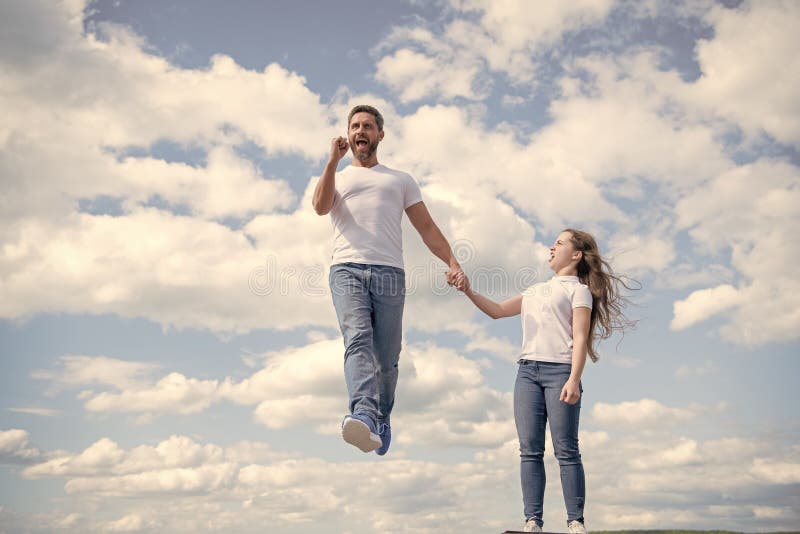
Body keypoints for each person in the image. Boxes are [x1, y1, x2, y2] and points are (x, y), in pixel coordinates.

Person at [453, 229, 633, 534]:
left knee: (566, 449)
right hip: (527, 373)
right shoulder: (535, 291)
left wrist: (574, 379)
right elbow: (497, 312)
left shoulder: (579, 291)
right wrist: (468, 290)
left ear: (576, 255)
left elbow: (579, 337)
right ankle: (532, 521)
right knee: (530, 450)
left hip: (560, 372)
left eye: (560, 243)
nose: (552, 247)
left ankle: (576, 521)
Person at [312, 104, 463, 455]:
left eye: (367, 126)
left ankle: (381, 416)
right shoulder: (337, 175)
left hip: (389, 272)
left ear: (380, 134)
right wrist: (332, 162)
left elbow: (426, 227)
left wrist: (453, 260)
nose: (360, 131)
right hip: (346, 269)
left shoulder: (400, 180)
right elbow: (320, 207)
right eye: (354, 127)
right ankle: (363, 412)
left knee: (388, 356)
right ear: (348, 135)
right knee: (358, 338)